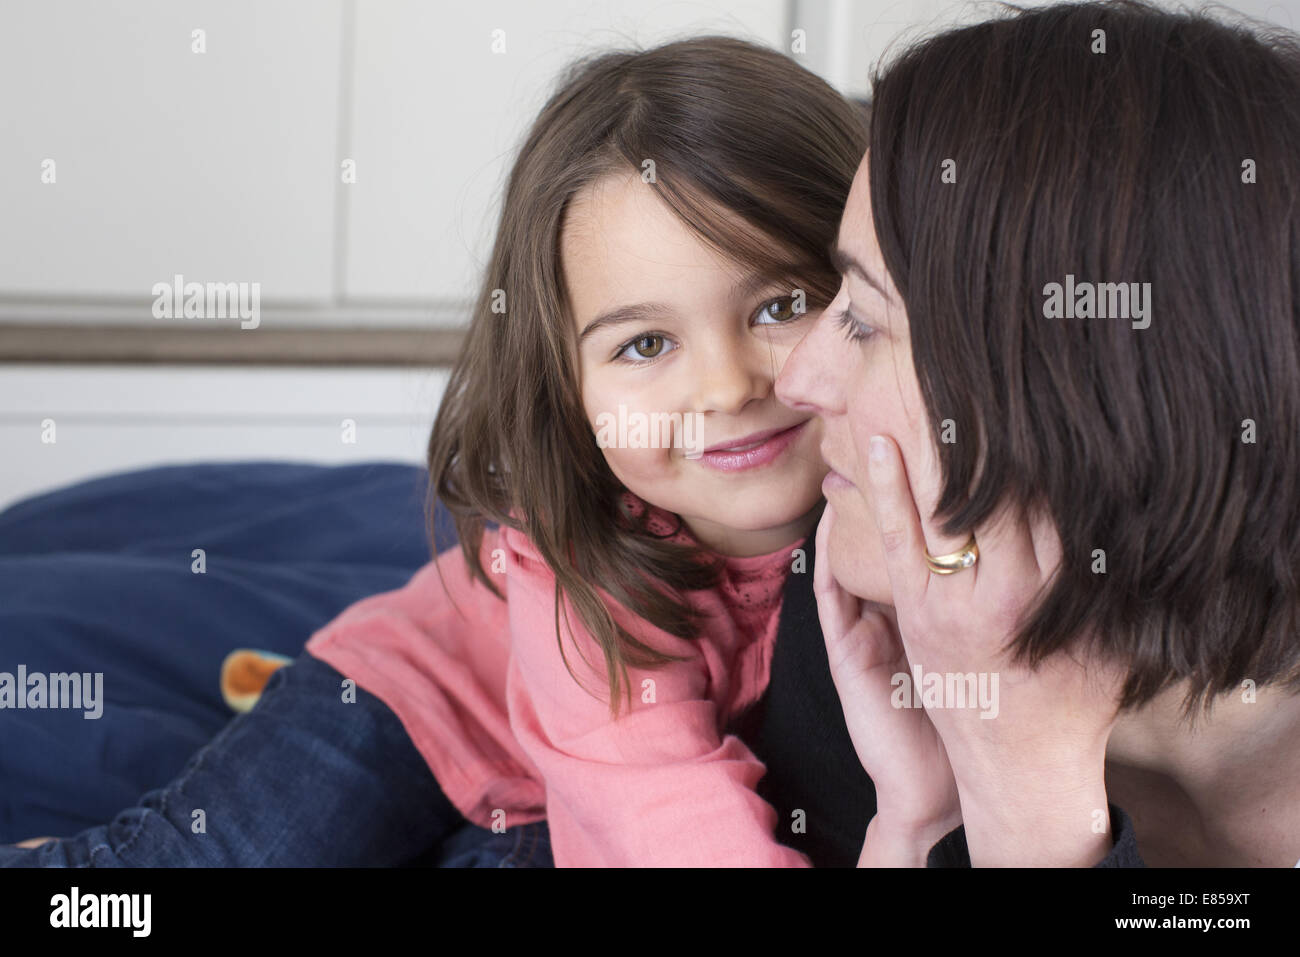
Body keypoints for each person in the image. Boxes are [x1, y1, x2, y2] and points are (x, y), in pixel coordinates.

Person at [2, 35, 869, 867]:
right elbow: (663, 809)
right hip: (411, 705)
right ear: (562, 388)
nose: (725, 386)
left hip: (553, 803)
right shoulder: (577, 556)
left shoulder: (905, 510)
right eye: (645, 346)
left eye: (783, 303)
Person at [772, 0, 1300, 867]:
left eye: (864, 320)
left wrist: (1022, 801)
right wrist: (921, 822)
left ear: (1094, 398)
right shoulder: (855, 633)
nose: (795, 380)